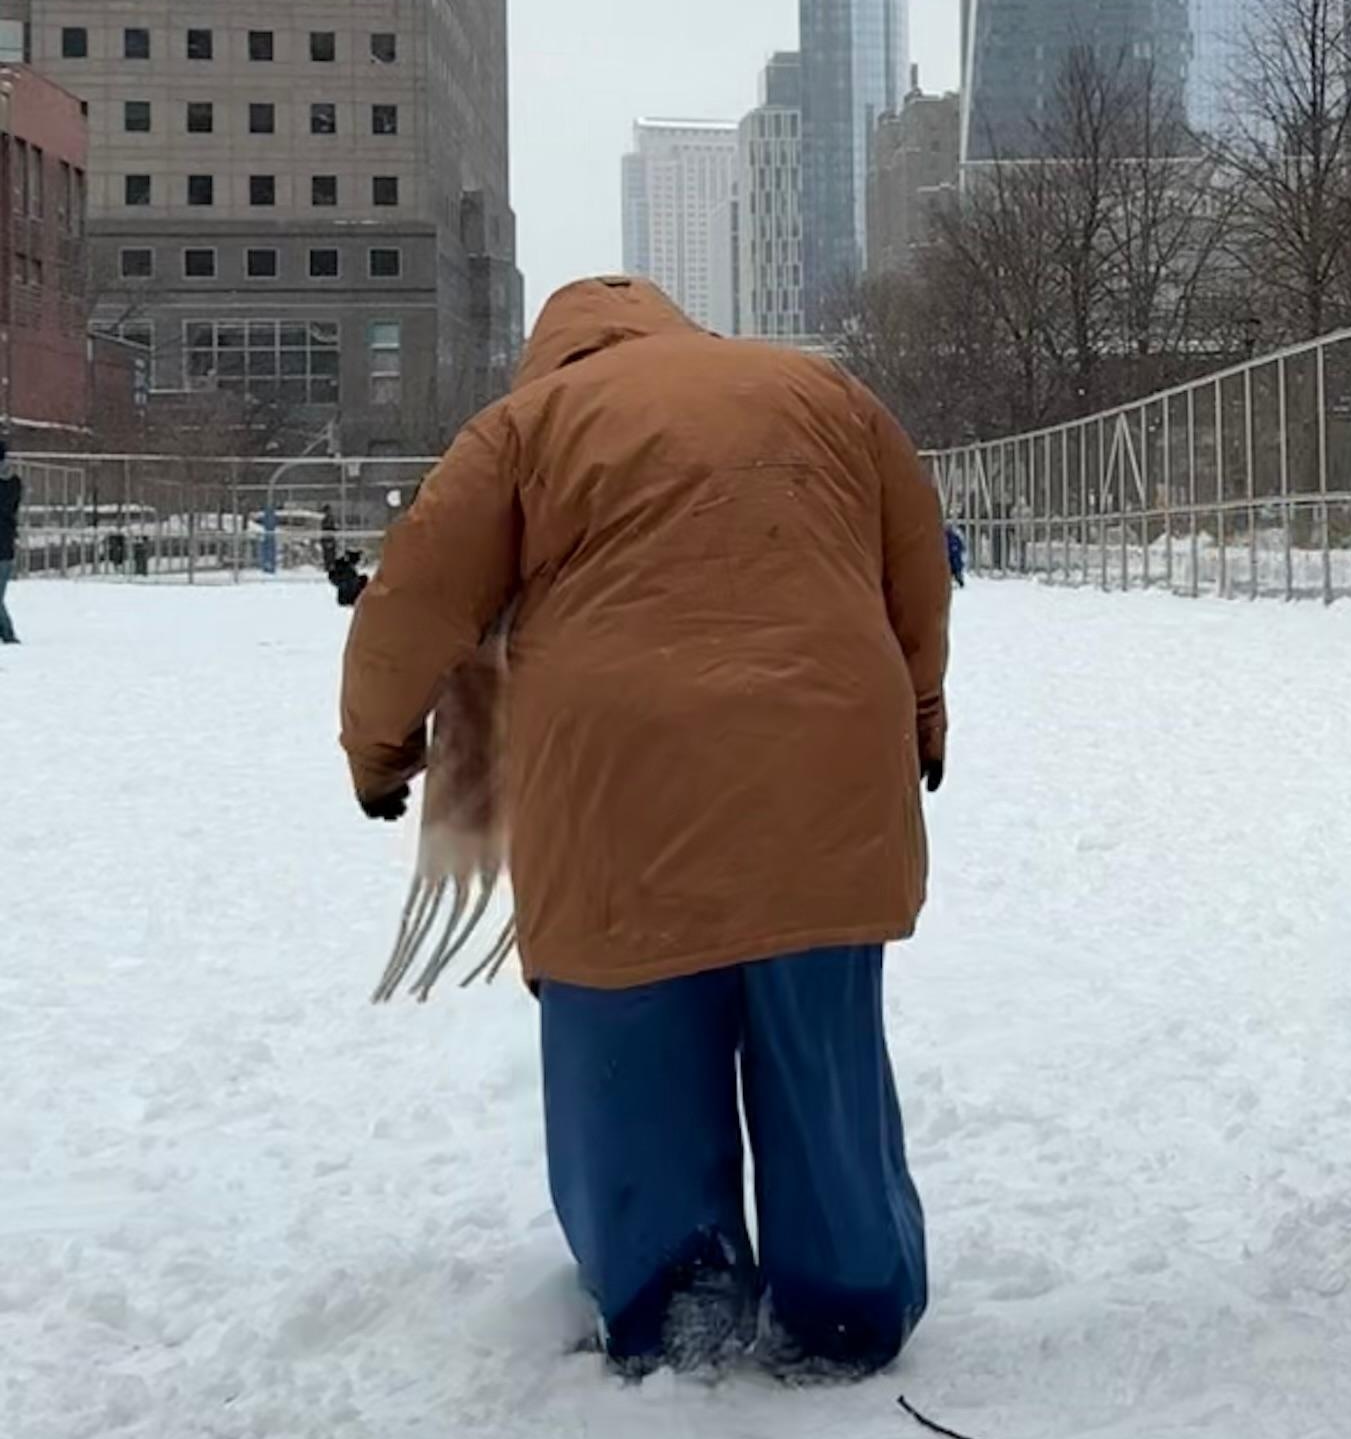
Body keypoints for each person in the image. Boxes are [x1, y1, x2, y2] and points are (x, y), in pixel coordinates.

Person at [341, 275, 951, 1380]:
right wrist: (920, 712)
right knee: (824, 1049)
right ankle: (849, 1304)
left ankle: (679, 1307)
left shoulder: (524, 426)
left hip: (615, 781)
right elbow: (914, 565)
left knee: (632, 1044)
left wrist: (381, 751)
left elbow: (413, 600)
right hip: (828, 759)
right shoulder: (821, 393)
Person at [0, 441, 21, 646]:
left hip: (3, 549)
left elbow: (6, 510)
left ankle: (8, 635)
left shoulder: (12, 483)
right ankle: (7, 634)